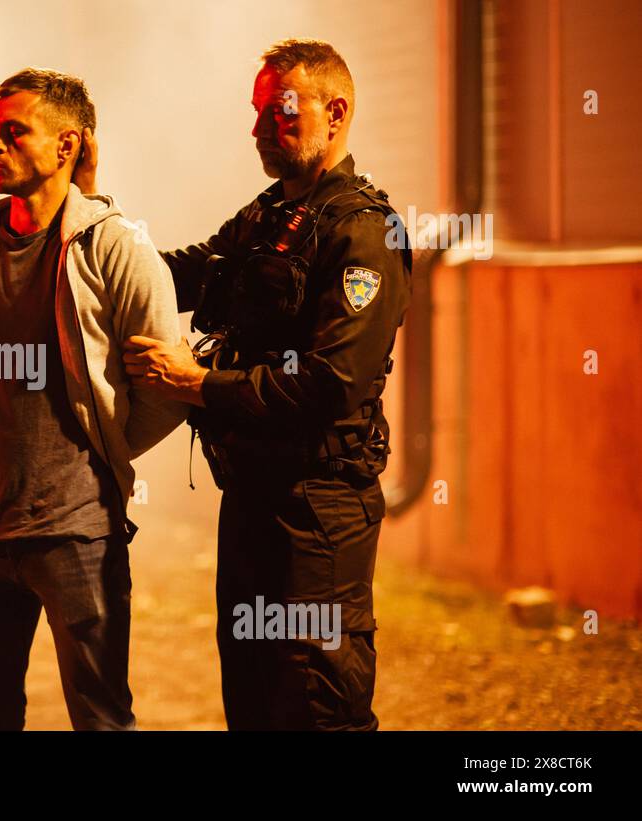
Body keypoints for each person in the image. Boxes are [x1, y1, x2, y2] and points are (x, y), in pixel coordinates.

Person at [78, 39, 411, 730]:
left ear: (335, 111)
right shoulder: (266, 218)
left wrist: (202, 384)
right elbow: (170, 276)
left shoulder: (365, 232)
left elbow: (331, 382)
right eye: (258, 112)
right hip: (253, 501)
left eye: (280, 113)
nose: (259, 129)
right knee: (253, 700)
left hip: (319, 511)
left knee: (316, 701)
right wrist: (86, 211)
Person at [0, 68, 186, 730]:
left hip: (76, 534)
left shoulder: (117, 249)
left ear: (67, 145)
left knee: (100, 717)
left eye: (14, 131)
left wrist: (103, 450)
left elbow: (168, 381)